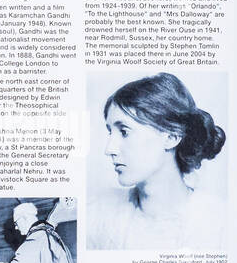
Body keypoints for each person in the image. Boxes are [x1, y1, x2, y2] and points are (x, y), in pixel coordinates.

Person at [90, 73, 226, 251]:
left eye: (124, 132)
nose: (109, 149)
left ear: (171, 137)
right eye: (110, 132)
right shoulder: (97, 217)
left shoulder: (221, 225)